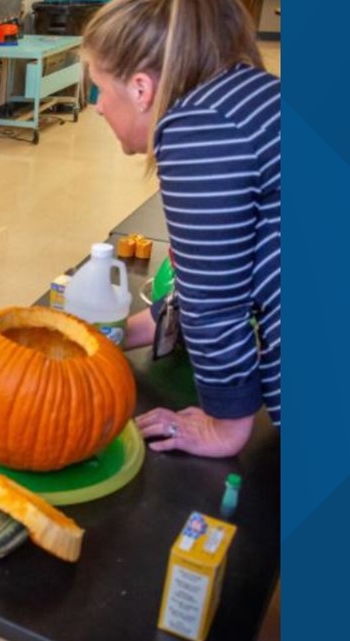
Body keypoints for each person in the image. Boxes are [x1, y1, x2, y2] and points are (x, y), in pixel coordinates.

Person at [83, 0, 280, 456]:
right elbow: (215, 272)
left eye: (98, 90)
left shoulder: (198, 132)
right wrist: (121, 334)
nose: (97, 107)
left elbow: (215, 301)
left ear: (140, 88)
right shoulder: (238, 97)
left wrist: (224, 426)